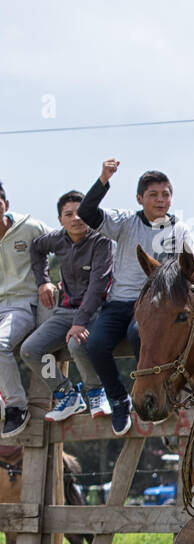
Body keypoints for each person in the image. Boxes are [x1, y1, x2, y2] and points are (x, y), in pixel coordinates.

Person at [77, 161, 194, 436]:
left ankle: (160, 394)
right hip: (119, 301)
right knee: (94, 344)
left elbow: (193, 272)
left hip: (155, 305)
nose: (160, 200)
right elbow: (86, 212)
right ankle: (119, 399)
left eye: (166, 194)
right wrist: (104, 179)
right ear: (139, 198)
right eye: (153, 194)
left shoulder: (180, 230)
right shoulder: (125, 221)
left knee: (138, 335)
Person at [23, 190, 114, 422]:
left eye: (81, 212)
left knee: (76, 344)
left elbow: (97, 288)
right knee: (30, 350)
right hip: (64, 312)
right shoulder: (56, 239)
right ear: (60, 220)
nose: (76, 218)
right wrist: (43, 282)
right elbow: (36, 248)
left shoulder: (101, 241)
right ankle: (67, 394)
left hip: (97, 311)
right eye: (69, 214)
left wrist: (80, 322)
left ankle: (96, 392)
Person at [0, 180, 53, 436]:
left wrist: (56, 282)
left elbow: (65, 244)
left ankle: (16, 407)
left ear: (5, 204)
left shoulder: (29, 227)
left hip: (22, 304)